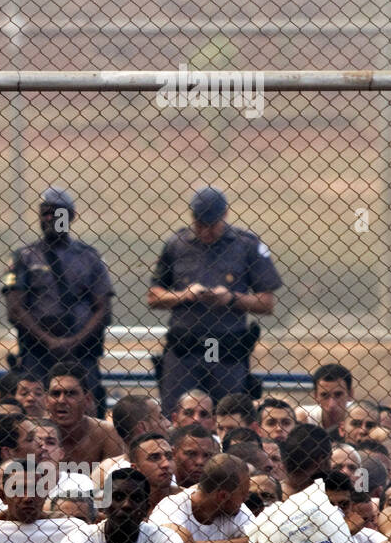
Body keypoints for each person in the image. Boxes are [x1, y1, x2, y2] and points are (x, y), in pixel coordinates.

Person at [147, 186, 282, 414]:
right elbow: (154, 295)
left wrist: (231, 299)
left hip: (226, 352)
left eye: (212, 224)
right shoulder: (177, 245)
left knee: (230, 415)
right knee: (178, 415)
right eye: (200, 224)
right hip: (185, 352)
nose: (206, 231)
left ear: (225, 216)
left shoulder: (246, 245)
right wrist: (184, 295)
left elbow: (266, 302)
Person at [3, 187, 113, 417]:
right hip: (38, 354)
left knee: (89, 414)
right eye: (45, 213)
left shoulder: (89, 257)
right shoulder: (25, 257)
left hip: (82, 353)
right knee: (34, 417)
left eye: (58, 213)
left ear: (71, 217)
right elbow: (15, 309)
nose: (51, 218)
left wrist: (73, 342)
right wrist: (50, 342)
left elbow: (103, 309)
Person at [247, 424, 376, 543]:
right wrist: (344, 533)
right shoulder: (277, 500)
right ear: (322, 459)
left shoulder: (328, 500)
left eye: (342, 505)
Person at [49, 469, 212, 543]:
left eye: (136, 498)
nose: (127, 505)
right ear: (104, 504)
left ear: (146, 508)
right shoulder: (84, 535)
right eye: (118, 497)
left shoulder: (158, 535)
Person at [150, 454, 269, 543]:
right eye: (243, 494)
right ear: (223, 496)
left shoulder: (237, 510)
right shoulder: (171, 507)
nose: (246, 499)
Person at [45, 365, 124, 464]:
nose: (61, 400)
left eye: (70, 393)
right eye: (56, 393)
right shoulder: (35, 432)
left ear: (87, 399)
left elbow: (114, 477)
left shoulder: (107, 433)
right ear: (46, 401)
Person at [296, 363, 353, 432]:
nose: (332, 404)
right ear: (315, 396)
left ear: (350, 394)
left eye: (338, 395)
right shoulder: (306, 417)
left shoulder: (360, 416)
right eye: (325, 396)